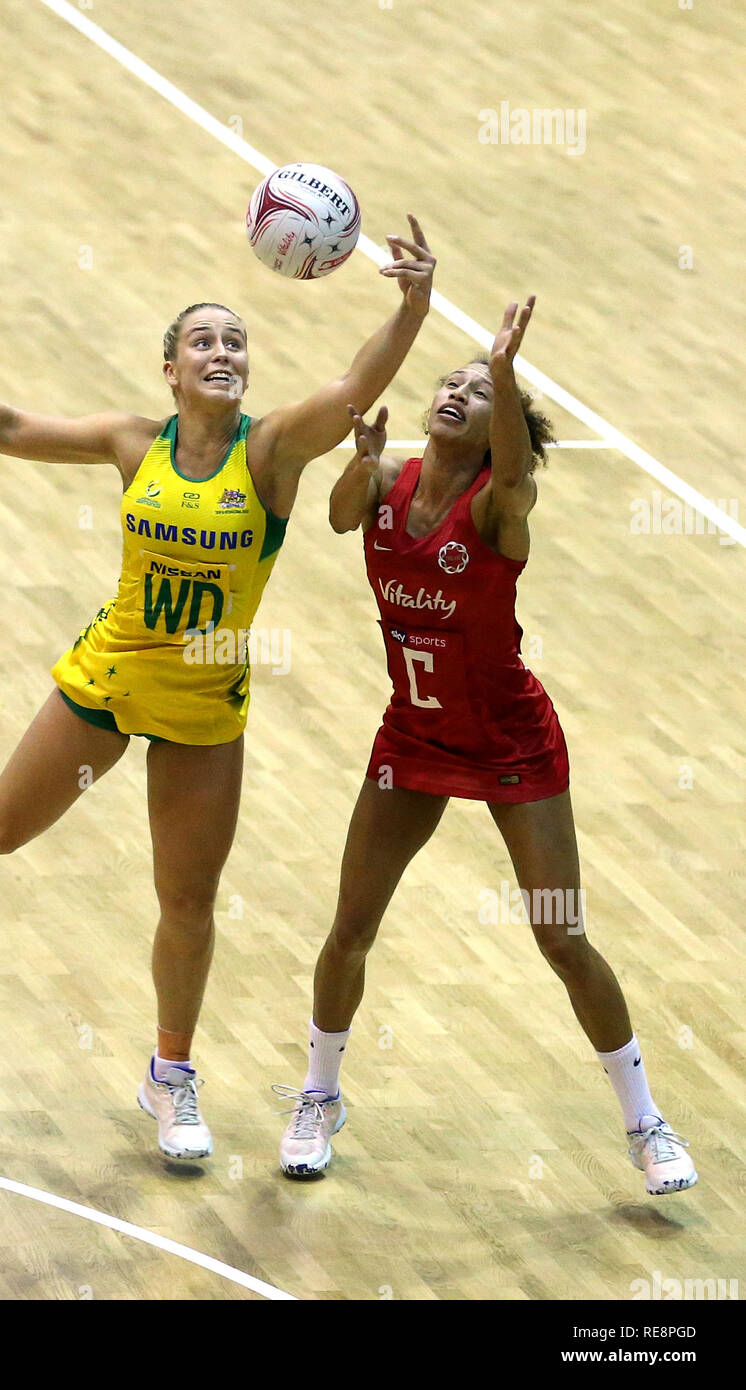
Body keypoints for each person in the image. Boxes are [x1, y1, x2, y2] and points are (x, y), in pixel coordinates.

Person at [0, 219, 438, 1162]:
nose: (223, 353)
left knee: (188, 902)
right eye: (204, 342)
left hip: (202, 710)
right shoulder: (130, 443)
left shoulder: (269, 454)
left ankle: (171, 1076)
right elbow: (14, 428)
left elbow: (355, 388)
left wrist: (412, 305)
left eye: (236, 342)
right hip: (108, 682)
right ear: (171, 370)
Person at [275, 298, 698, 1197]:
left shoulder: (502, 505)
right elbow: (341, 517)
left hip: (512, 745)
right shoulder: (386, 477)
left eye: (477, 390)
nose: (456, 393)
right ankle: (318, 1097)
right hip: (415, 734)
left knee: (562, 937)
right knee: (351, 926)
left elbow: (513, 471)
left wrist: (504, 375)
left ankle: (645, 1122)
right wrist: (359, 459)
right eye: (452, 382)